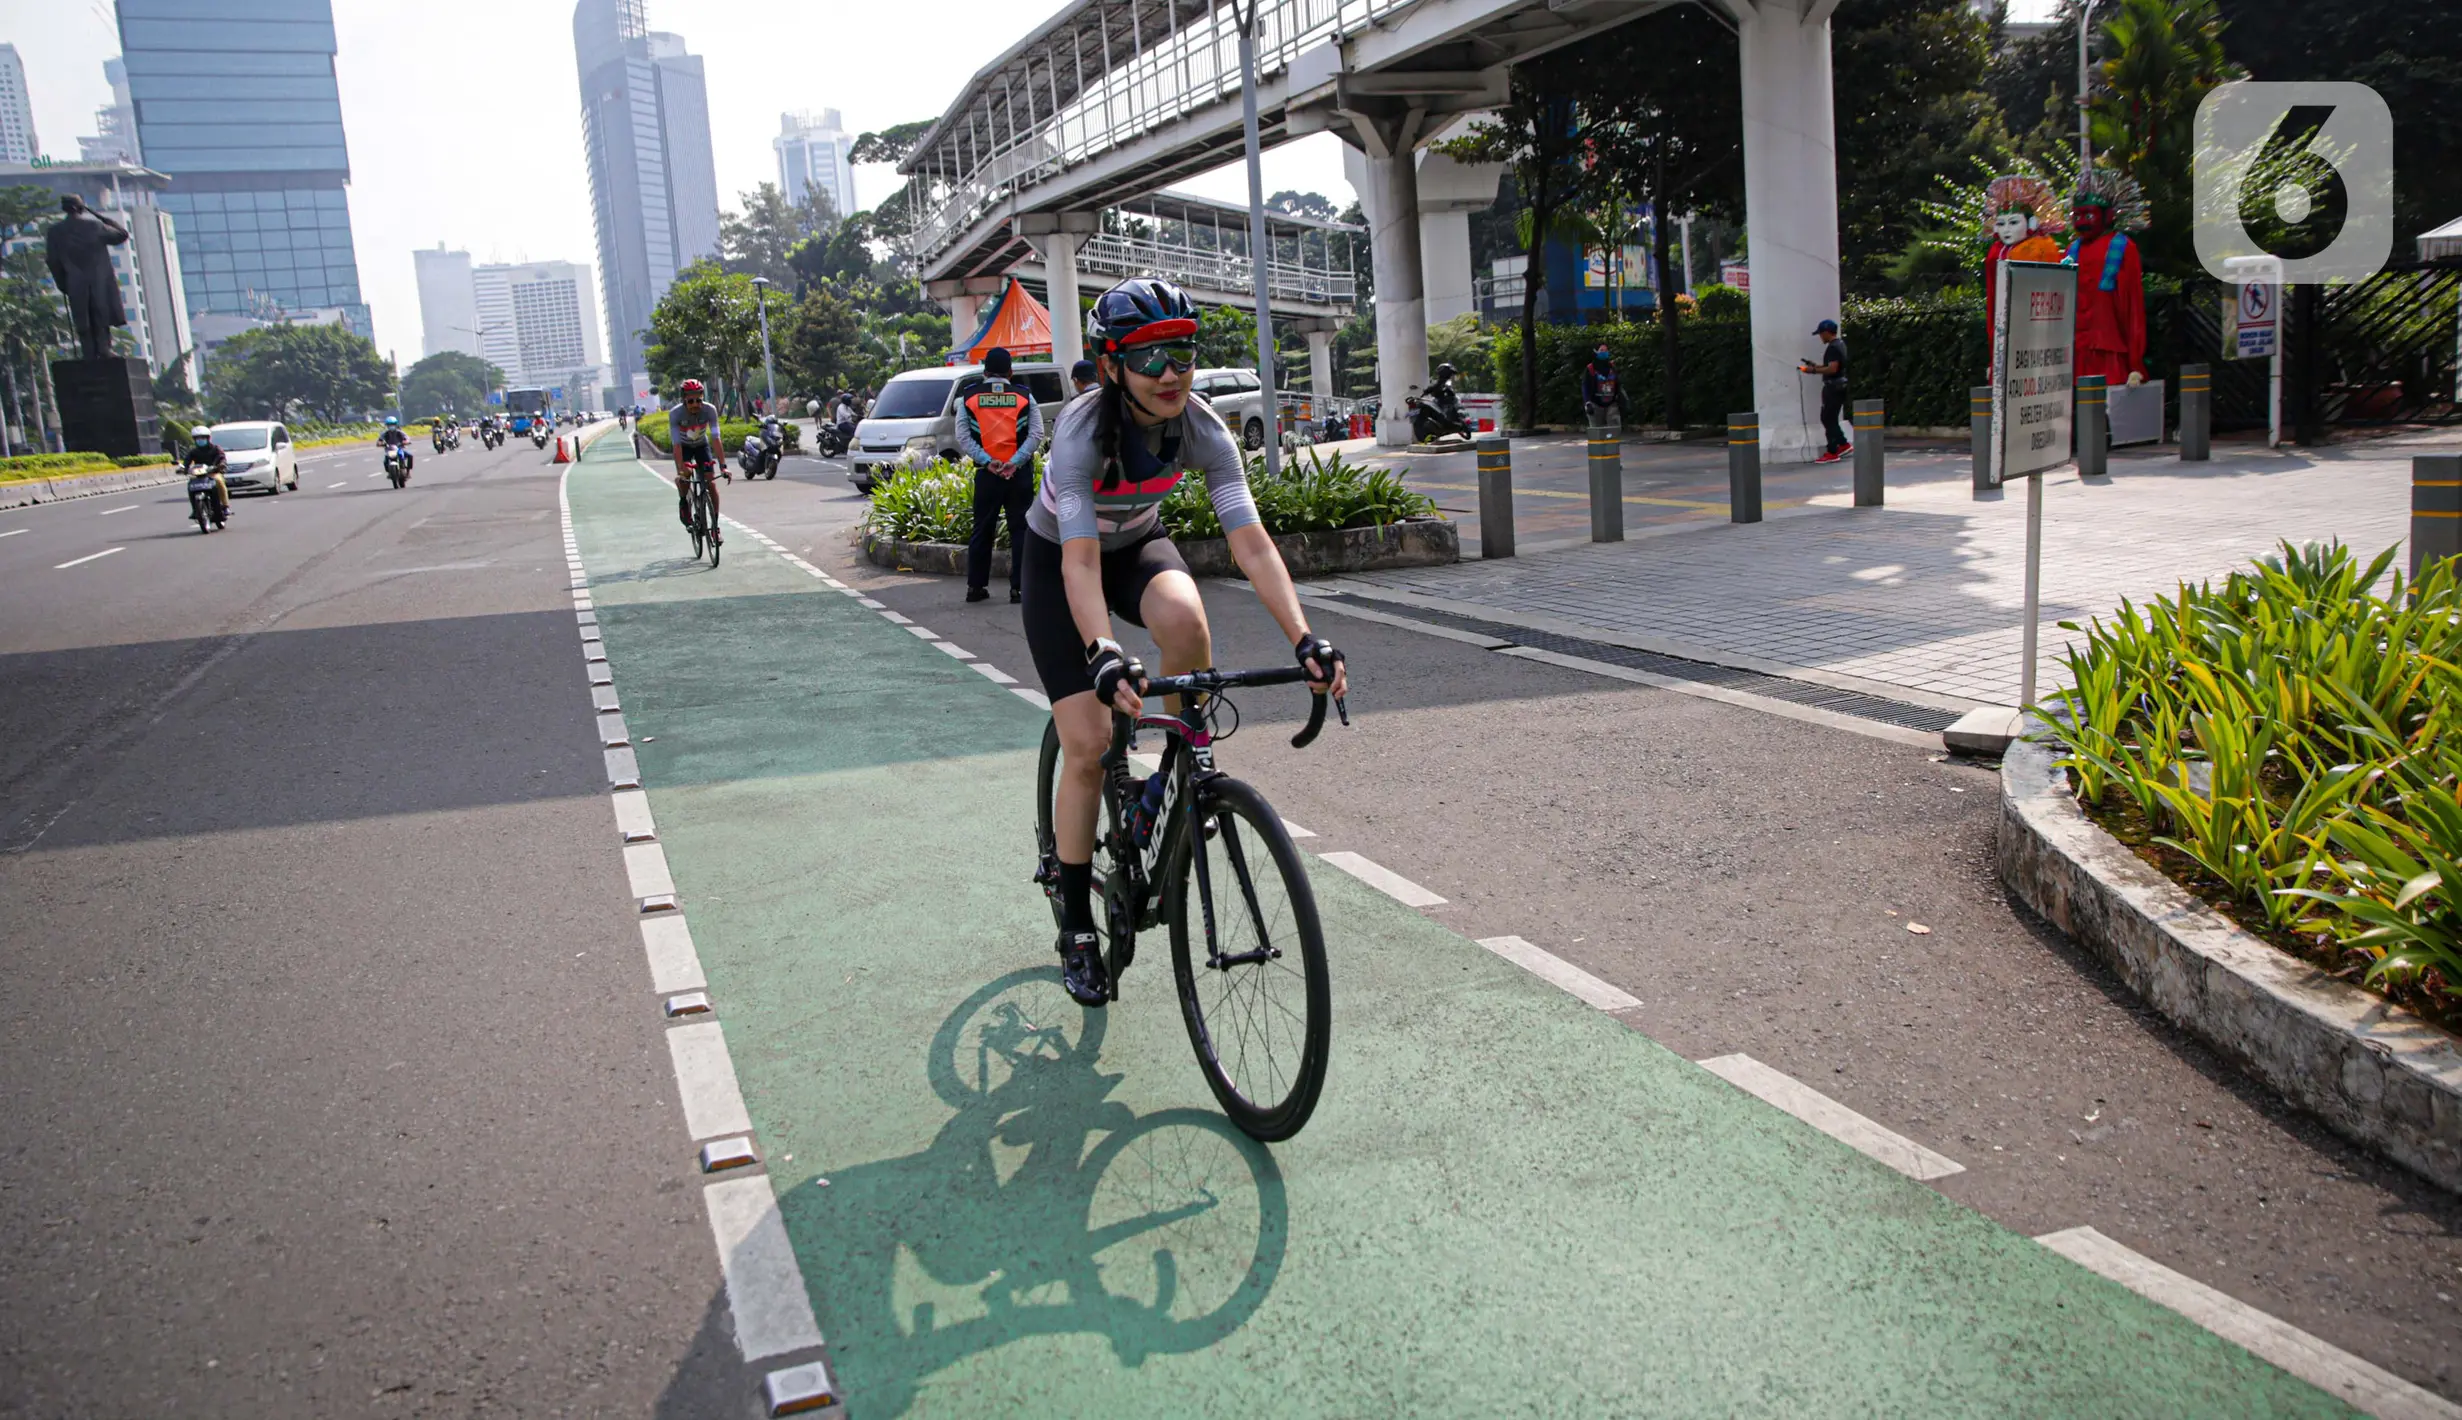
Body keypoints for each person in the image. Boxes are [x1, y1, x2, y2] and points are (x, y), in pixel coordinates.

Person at [1023, 277, 1348, 1007]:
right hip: (1060, 561)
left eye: (1183, 354)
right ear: (1111, 366)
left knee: (1187, 627)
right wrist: (1102, 651)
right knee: (1086, 744)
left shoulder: (1201, 427)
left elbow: (1251, 542)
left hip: (1136, 546)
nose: (1172, 374)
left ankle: (1165, 777)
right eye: (1150, 359)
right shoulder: (1081, 434)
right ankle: (1077, 926)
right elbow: (1077, 563)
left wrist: (1304, 637)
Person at [957, 346, 1046, 605]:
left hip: (987, 475)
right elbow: (1036, 435)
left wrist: (989, 462)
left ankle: (975, 587)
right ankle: (1018, 589)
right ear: (1010, 371)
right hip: (1018, 476)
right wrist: (1014, 463)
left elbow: (963, 436)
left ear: (985, 372)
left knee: (982, 529)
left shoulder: (969, 397)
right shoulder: (1025, 397)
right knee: (1020, 530)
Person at [669, 378, 723, 546]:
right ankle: (684, 501)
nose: (695, 404)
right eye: (690, 401)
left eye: (698, 400)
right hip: (684, 447)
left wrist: (724, 466)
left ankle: (715, 527)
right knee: (686, 475)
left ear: (702, 397)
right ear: (684, 399)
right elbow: (676, 445)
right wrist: (681, 469)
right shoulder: (676, 414)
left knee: (711, 482)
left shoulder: (710, 411)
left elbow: (716, 438)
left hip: (701, 446)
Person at [1800, 318, 1850, 463]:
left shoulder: (1833, 347)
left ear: (1827, 332)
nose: (1820, 337)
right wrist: (1816, 366)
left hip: (1833, 387)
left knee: (1828, 418)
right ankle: (1843, 444)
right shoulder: (1840, 344)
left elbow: (1832, 369)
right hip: (1839, 385)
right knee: (1830, 418)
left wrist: (1813, 370)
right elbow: (1833, 366)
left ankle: (1832, 451)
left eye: (1821, 333)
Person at [180, 424, 230, 522]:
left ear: (208, 438)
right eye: (197, 438)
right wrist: (184, 468)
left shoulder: (216, 449)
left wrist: (221, 465)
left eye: (203, 438)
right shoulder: (193, 451)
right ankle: (195, 509)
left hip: (213, 472)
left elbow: (222, 458)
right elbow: (187, 460)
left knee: (219, 481)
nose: (200, 440)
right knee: (190, 485)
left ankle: (225, 506)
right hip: (199, 475)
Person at [1580, 345, 1627, 433]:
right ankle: (1598, 446)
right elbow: (1585, 386)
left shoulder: (1612, 367)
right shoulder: (1590, 368)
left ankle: (1612, 446)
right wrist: (1587, 402)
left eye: (1606, 350)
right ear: (1596, 352)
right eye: (1601, 350)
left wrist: (1620, 398)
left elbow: (1618, 384)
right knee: (1596, 433)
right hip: (1595, 404)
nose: (1604, 352)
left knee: (1614, 431)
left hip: (1611, 403)